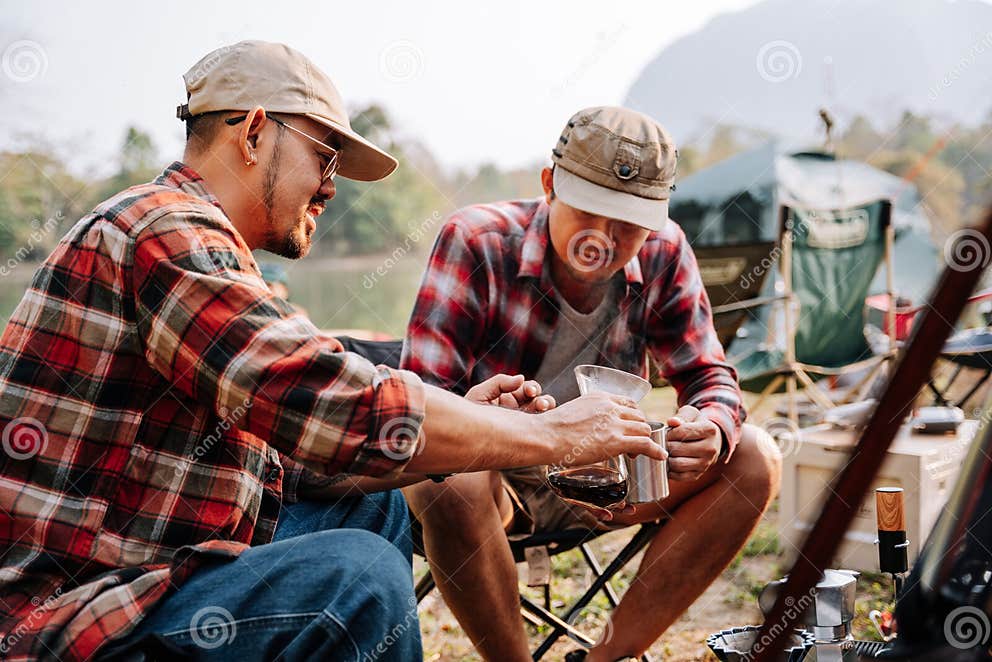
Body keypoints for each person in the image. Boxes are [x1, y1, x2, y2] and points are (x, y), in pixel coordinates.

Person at [0, 44, 661, 662]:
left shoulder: (215, 252)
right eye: (325, 158)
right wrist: (545, 433)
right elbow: (332, 402)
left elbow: (302, 465)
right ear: (254, 132)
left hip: (153, 558)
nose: (333, 186)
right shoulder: (165, 233)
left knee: (373, 507)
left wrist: (467, 417)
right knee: (359, 579)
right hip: (76, 609)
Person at [402, 106, 783, 662]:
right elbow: (421, 411)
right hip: (495, 484)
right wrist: (513, 431)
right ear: (550, 185)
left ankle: (607, 657)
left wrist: (709, 424)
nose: (604, 239)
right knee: (447, 482)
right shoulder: (477, 241)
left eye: (627, 223)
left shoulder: (664, 250)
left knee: (754, 456)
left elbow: (708, 375)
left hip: (610, 481)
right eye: (591, 212)